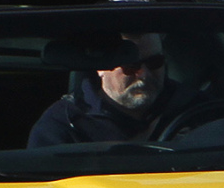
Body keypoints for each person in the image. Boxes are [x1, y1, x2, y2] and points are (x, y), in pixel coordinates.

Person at [27, 31, 178, 148]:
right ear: (100, 67)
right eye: (131, 65)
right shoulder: (61, 126)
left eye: (155, 62)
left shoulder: (188, 106)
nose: (144, 75)